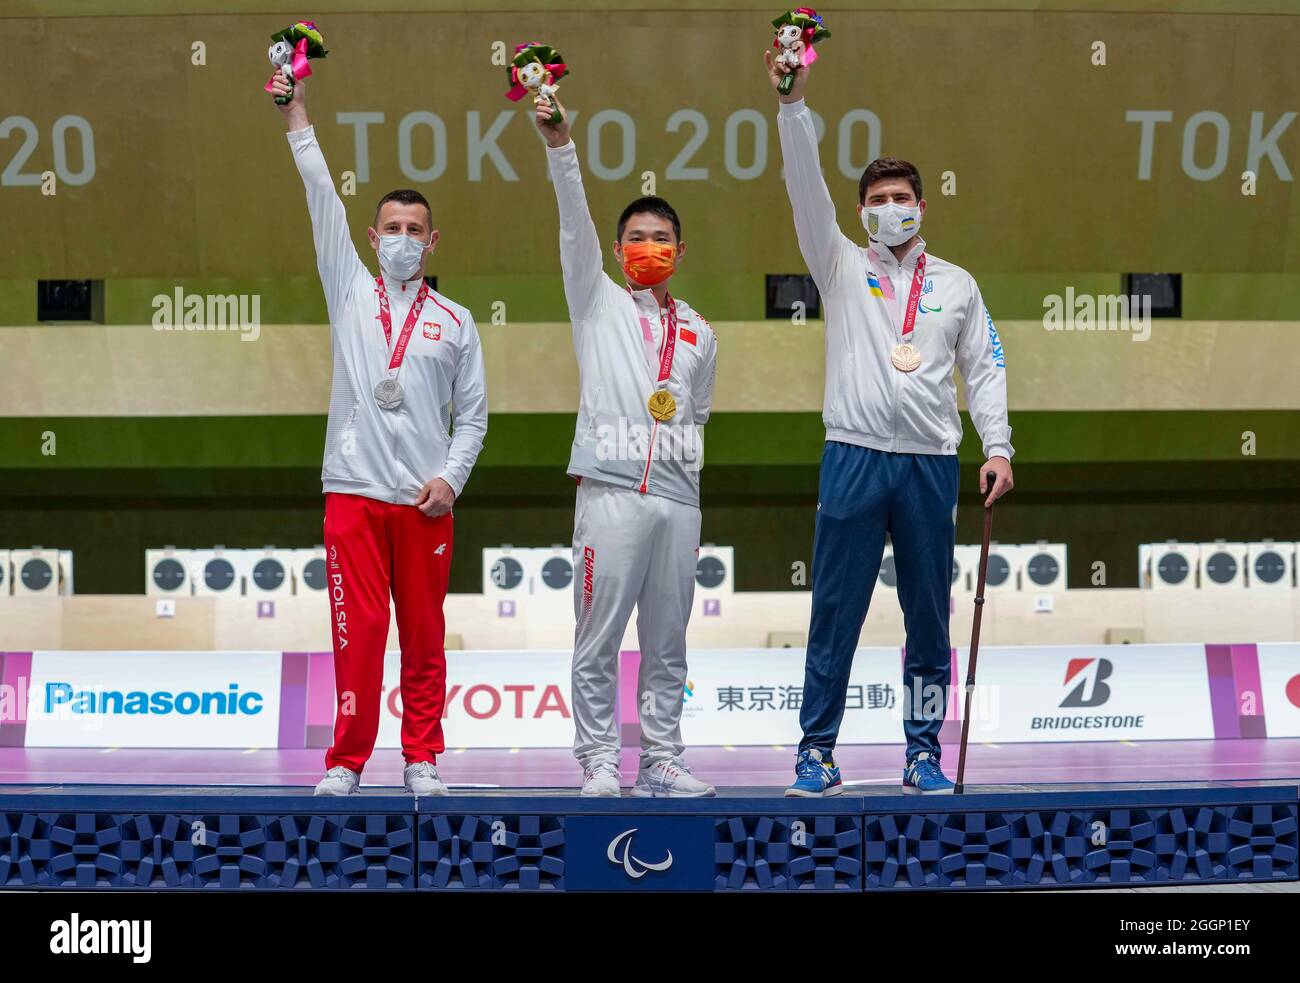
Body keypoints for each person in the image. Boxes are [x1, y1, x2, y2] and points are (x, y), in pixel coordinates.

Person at [765, 51, 1015, 797]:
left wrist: (997, 446)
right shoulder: (840, 263)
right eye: (875, 199)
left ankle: (922, 752)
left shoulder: (957, 285)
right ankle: (816, 750)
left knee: (930, 621)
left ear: (921, 207)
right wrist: (792, 105)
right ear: (861, 211)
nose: (888, 208)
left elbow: (987, 367)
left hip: (930, 463)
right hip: (854, 456)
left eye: (900, 196)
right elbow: (803, 186)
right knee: (834, 610)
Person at [268, 70, 488, 797]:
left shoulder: (457, 323)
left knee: (424, 640)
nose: (401, 239)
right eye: (390, 229)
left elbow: (475, 417)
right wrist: (296, 111)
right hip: (353, 497)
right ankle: (346, 760)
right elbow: (319, 197)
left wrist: (450, 480)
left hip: (425, 501)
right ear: (371, 238)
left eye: (413, 231)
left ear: (432, 242)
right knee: (356, 638)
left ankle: (422, 755)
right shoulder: (351, 289)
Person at [534, 89, 719, 797]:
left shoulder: (703, 331)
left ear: (679, 250)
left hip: (679, 499)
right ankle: (601, 760)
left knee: (668, 644)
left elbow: (694, 416)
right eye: (636, 238)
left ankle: (663, 757)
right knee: (599, 637)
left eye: (661, 238)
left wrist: (683, 487)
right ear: (617, 250)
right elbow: (573, 224)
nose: (649, 248)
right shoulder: (597, 299)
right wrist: (560, 145)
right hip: (610, 491)